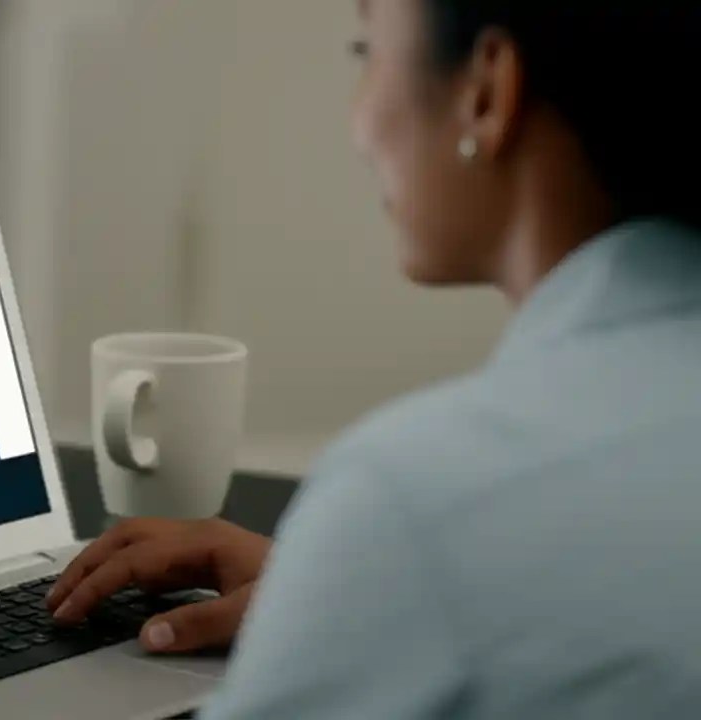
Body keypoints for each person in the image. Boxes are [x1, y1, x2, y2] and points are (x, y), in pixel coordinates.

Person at [47, 1, 701, 717]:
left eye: (367, 52)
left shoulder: (416, 501)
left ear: (487, 92)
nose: (358, 126)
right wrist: (345, 600)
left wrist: (381, 570)